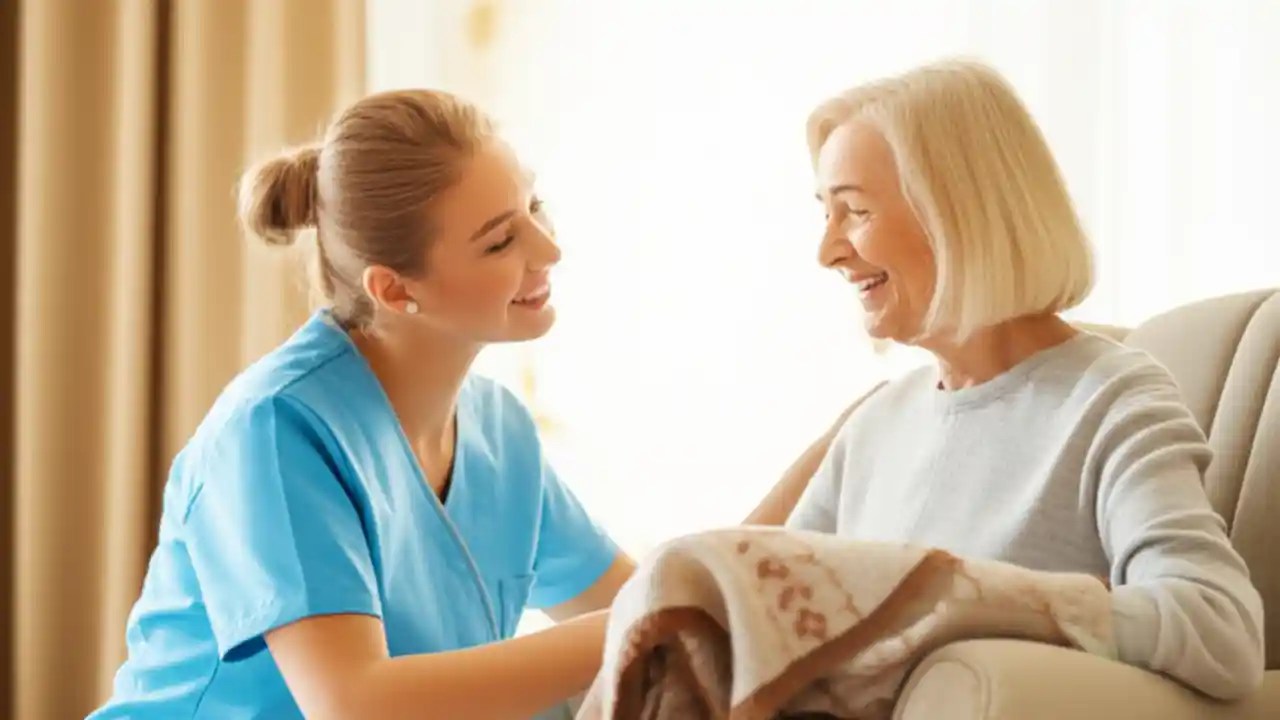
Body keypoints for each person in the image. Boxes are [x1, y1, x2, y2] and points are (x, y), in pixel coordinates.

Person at [88, 89, 850, 720]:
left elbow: (651, 601)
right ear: (395, 288)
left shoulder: (497, 431)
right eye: (499, 242)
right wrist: (666, 611)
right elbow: (354, 703)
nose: (548, 251)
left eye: (535, 209)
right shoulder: (275, 431)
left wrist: (838, 451)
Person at [785, 60, 1265, 701]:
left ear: (958, 211)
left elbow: (1219, 628)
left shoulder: (1110, 398)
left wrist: (993, 603)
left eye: (855, 211)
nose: (829, 251)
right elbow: (764, 616)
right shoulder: (877, 424)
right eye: (826, 214)